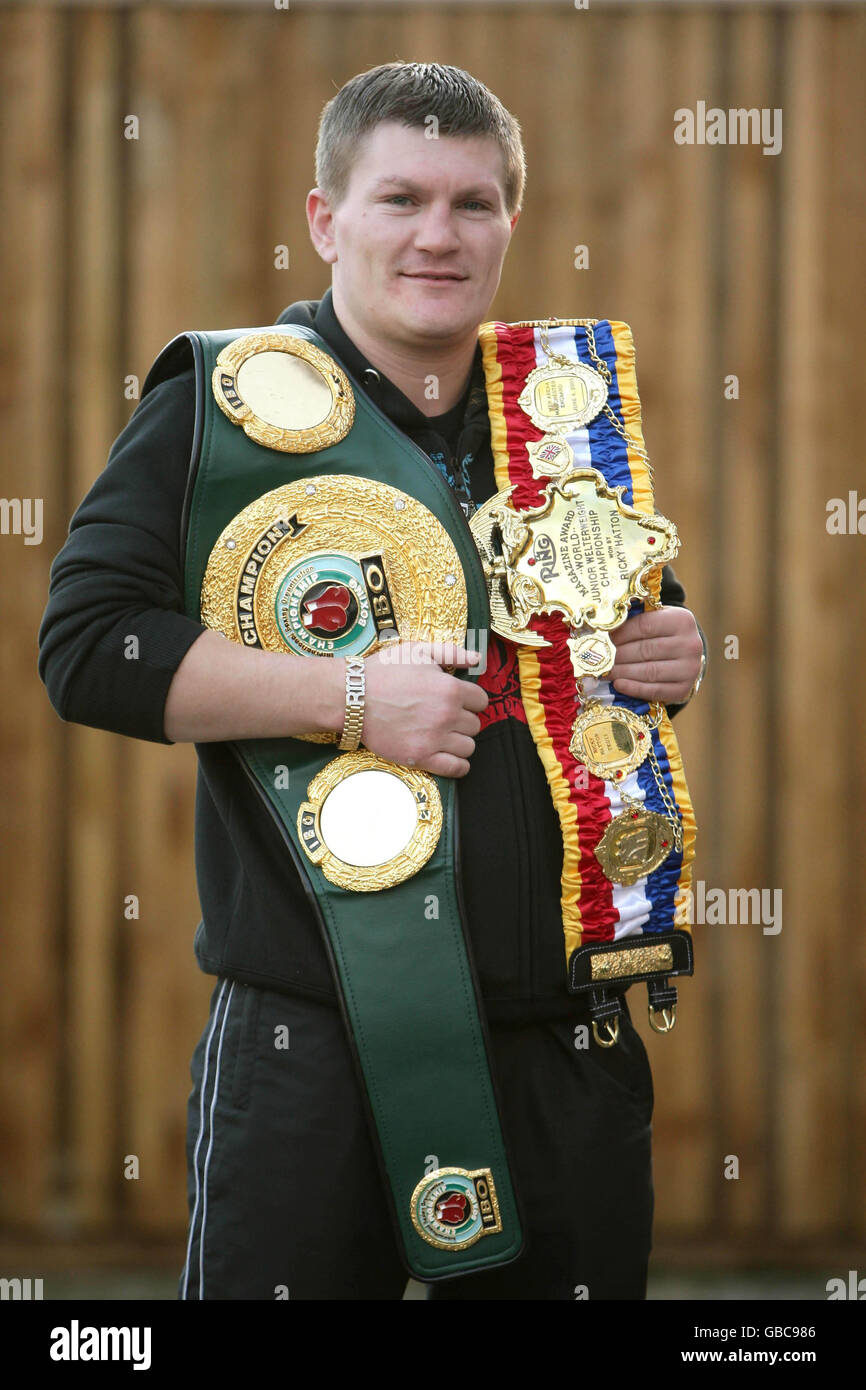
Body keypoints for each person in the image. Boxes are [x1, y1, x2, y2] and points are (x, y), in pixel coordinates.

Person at [38, 61, 705, 1301]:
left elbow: (599, 641)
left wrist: (667, 650)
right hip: (315, 1037)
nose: (437, 236)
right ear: (323, 219)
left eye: (474, 203)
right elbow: (89, 648)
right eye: (399, 199)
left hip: (563, 1036)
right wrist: (347, 701)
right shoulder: (219, 408)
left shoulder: (557, 409)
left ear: (513, 219)